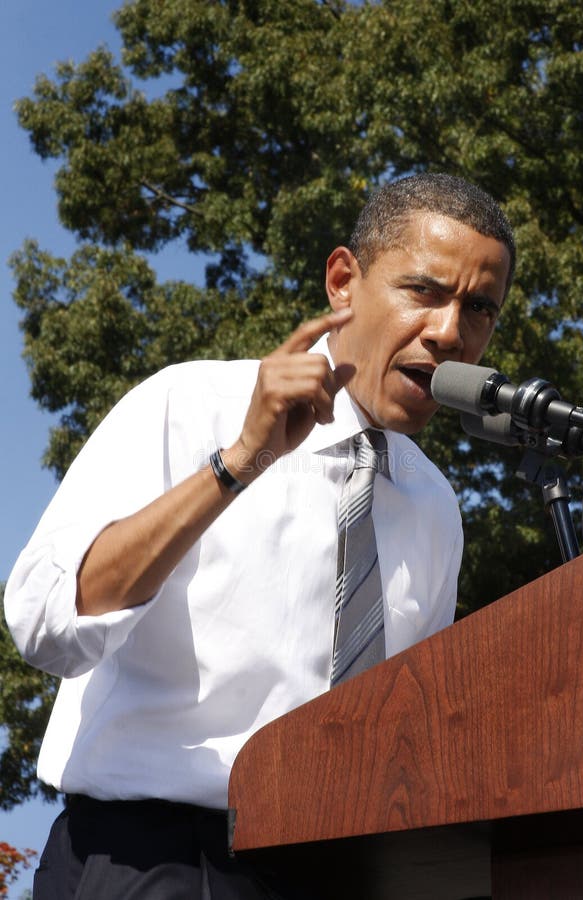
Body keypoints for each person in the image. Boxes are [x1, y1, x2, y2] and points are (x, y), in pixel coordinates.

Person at [5, 172, 514, 899]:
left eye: (480, 309)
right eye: (425, 292)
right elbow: (47, 626)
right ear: (344, 282)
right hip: (161, 858)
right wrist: (240, 464)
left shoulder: (434, 505)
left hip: (343, 872)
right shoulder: (190, 406)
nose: (449, 331)